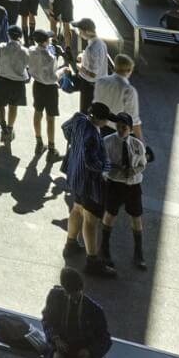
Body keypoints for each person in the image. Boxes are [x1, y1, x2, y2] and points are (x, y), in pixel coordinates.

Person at [62, 101, 112, 265]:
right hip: (88, 182)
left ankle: (70, 244)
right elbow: (91, 162)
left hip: (74, 175)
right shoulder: (92, 135)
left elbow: (65, 128)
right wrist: (105, 167)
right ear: (99, 119)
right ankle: (92, 261)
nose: (107, 122)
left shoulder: (78, 119)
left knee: (76, 209)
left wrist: (75, 142)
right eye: (105, 119)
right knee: (90, 220)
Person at [98, 112, 148, 271]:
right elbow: (102, 163)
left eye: (124, 128)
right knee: (110, 215)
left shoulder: (137, 144)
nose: (120, 130)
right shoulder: (108, 142)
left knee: (136, 217)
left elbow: (142, 164)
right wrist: (114, 171)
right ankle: (104, 249)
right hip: (115, 184)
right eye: (118, 127)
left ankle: (138, 253)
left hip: (133, 185)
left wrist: (134, 171)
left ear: (130, 129)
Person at [0, 27, 31, 142]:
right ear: (20, 37)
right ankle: (10, 128)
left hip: (3, 81)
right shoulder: (25, 51)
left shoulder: (2, 47)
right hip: (18, 84)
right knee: (14, 106)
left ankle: (3, 127)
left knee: (0, 104)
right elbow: (29, 66)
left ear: (8, 35)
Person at [26, 31, 62, 153]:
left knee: (37, 112)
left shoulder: (31, 50)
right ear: (46, 41)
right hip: (50, 89)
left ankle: (39, 141)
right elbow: (52, 77)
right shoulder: (50, 57)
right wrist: (63, 71)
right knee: (50, 118)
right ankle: (51, 148)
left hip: (37, 85)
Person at [93, 51, 141, 126]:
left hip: (98, 125)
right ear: (129, 70)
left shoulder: (100, 81)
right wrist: (139, 138)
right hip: (117, 131)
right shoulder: (129, 91)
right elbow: (133, 120)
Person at [73, 19, 110, 112]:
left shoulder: (92, 49)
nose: (79, 34)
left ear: (88, 32)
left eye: (81, 32)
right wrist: (83, 56)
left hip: (89, 86)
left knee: (85, 112)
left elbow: (92, 74)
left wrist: (79, 66)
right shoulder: (100, 42)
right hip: (99, 85)